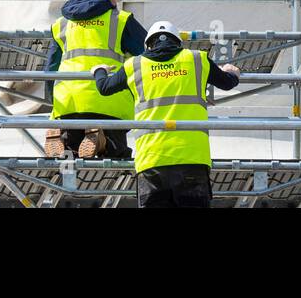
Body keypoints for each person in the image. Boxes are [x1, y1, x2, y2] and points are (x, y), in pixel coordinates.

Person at [93, 20, 240, 207]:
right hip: (192, 158)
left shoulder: (134, 65)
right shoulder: (196, 59)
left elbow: (104, 88)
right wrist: (232, 73)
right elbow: (227, 83)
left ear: (148, 45)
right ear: (178, 43)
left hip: (151, 160)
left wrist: (99, 71)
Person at [44, 0, 147, 159]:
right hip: (107, 101)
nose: (116, 1)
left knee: (73, 154)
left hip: (68, 102)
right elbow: (149, 55)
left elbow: (51, 69)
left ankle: (61, 137)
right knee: (117, 153)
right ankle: (103, 140)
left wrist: (54, 104)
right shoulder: (120, 20)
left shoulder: (61, 24)